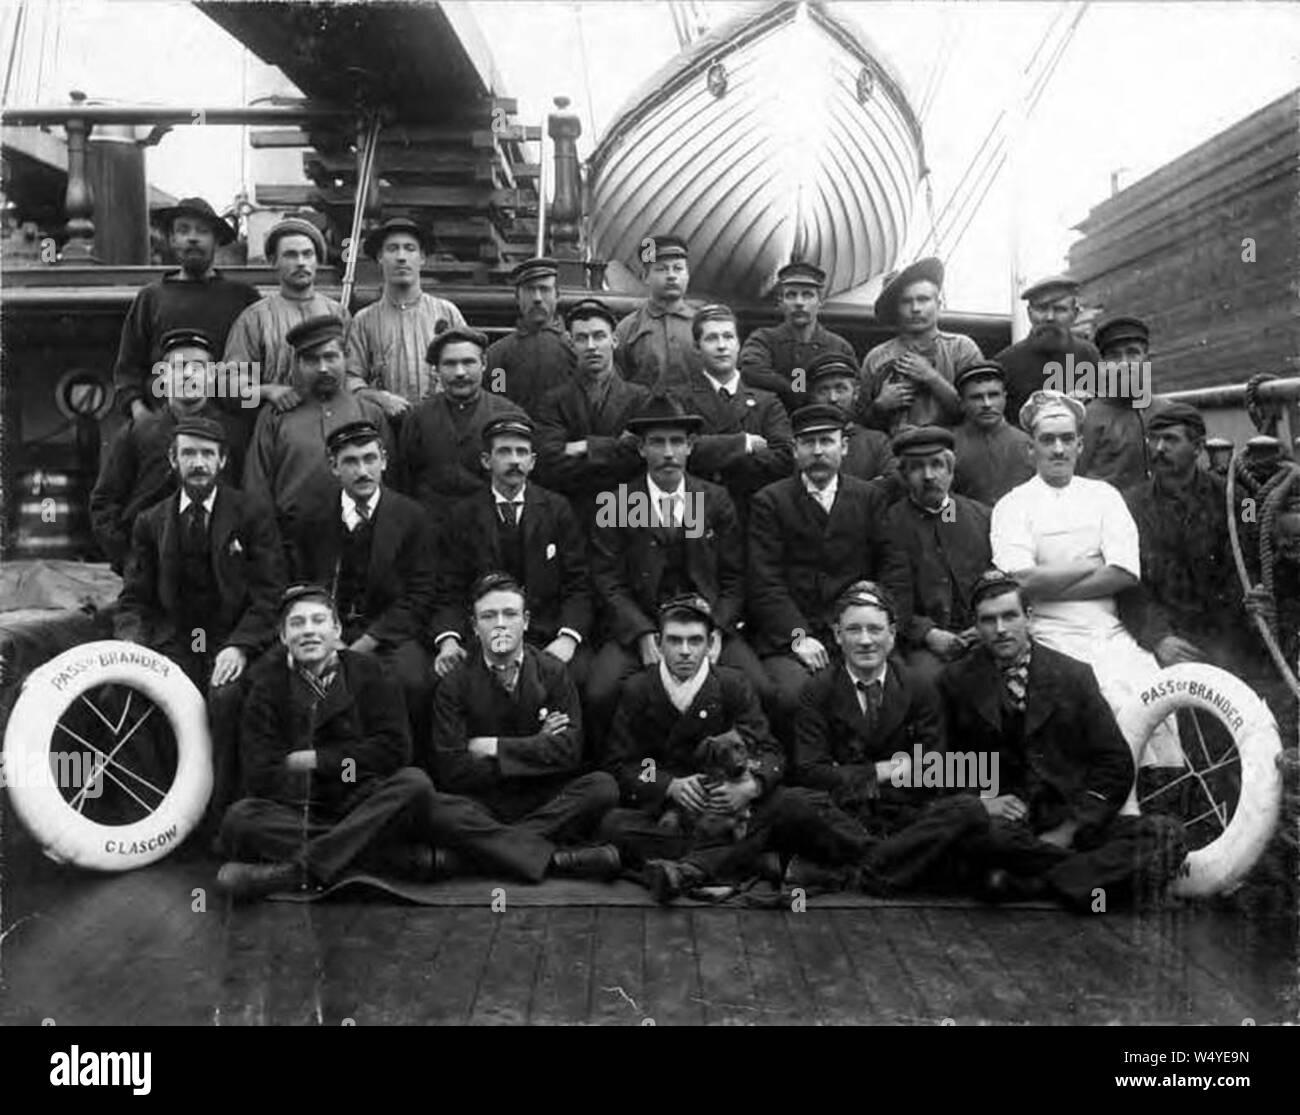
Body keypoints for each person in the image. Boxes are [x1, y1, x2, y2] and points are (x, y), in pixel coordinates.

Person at [938, 571, 1187, 910]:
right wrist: (984, 801)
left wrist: (1073, 827)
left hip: (1070, 819)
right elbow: (943, 763)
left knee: (1165, 833)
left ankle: (1033, 883)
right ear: (977, 626)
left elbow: (1114, 762)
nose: (1000, 629)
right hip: (1006, 825)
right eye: (988, 620)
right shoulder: (955, 681)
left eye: (1009, 616)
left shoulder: (1073, 674)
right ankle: (1081, 882)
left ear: (1029, 617)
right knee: (983, 841)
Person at [990, 390, 1182, 768]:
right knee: (1096, 703)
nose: (1058, 449)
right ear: (1031, 450)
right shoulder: (1012, 505)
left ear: (1080, 444)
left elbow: (1124, 573)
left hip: (1111, 629)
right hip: (1049, 631)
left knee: (1151, 697)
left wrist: (1052, 578)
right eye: (1047, 440)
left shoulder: (1104, 496)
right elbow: (1019, 581)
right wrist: (1088, 565)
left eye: (1066, 439)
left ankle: (1156, 796)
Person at [216, 584, 443, 901]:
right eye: (297, 624)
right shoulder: (266, 686)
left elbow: (394, 750)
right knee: (240, 819)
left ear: (336, 629)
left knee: (415, 784)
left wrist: (317, 761)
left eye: (318, 621)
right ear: (282, 636)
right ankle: (385, 858)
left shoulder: (372, 672)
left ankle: (298, 871)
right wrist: (330, 781)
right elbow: (261, 773)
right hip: (303, 810)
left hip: (362, 799)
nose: (308, 631)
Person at [114, 416, 284, 830]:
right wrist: (134, 646)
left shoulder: (252, 512)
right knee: (121, 698)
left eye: (208, 453)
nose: (199, 462)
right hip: (174, 642)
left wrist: (241, 645)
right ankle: (155, 816)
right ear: (173, 459)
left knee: (226, 699)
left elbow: (270, 592)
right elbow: (134, 598)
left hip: (231, 639)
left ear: (223, 460)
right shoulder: (150, 521)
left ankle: (219, 819)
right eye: (189, 453)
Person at [780, 581, 986, 895]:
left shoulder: (920, 687)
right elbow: (810, 772)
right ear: (837, 635)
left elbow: (930, 770)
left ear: (891, 635)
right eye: (854, 630)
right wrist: (885, 770)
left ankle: (860, 869)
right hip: (845, 817)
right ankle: (893, 866)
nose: (865, 641)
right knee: (792, 802)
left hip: (904, 815)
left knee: (968, 809)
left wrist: (851, 774)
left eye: (875, 630)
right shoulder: (817, 691)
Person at [586, 393, 767, 744]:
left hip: (706, 621)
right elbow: (607, 580)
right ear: (641, 449)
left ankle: (745, 771)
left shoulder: (712, 499)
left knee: (764, 689)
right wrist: (640, 633)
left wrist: (716, 629)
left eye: (676, 442)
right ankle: (621, 772)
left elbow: (733, 577)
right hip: (642, 621)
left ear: (690, 447)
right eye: (657, 443)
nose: (667, 453)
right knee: (600, 693)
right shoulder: (620, 502)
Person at [424, 573, 622, 882]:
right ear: (475, 627)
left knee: (602, 786)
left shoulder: (552, 671)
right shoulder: (455, 683)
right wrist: (538, 745)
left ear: (526, 621)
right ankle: (555, 860)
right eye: (489, 616)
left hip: (543, 798)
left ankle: (485, 852)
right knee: (436, 808)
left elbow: (569, 752)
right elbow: (453, 767)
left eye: (510, 614)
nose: (500, 624)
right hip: (484, 801)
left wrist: (494, 748)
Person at [598, 595, 788, 902]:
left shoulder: (732, 685)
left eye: (695, 641)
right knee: (613, 825)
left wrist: (750, 786)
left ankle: (683, 870)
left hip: (727, 810)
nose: (685, 651)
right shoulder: (638, 689)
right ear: (659, 643)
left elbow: (770, 751)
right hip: (671, 813)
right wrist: (668, 785)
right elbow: (622, 764)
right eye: (674, 641)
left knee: (784, 805)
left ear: (711, 643)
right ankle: (737, 863)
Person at [285, 420, 437, 743]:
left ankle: (407, 769)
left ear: (384, 460)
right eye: (351, 462)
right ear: (333, 466)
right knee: (283, 681)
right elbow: (302, 585)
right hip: (327, 632)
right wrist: (328, 637)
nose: (363, 471)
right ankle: (324, 776)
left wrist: (367, 642)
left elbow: (419, 595)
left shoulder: (412, 517)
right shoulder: (311, 517)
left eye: (369, 459)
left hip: (389, 636)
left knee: (413, 682)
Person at [747, 403, 892, 737]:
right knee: (792, 694)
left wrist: (873, 627)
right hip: (793, 636)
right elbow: (764, 581)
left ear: (843, 446)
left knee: (890, 689)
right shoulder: (770, 501)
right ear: (795, 450)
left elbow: (890, 567)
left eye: (826, 441)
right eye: (807, 443)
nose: (817, 451)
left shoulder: (869, 498)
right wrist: (798, 637)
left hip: (859, 628)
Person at [433, 415, 593, 687]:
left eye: (522, 453)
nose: (514, 460)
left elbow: (578, 584)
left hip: (546, 635)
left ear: (532, 462)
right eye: (504, 452)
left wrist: (567, 638)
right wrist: (449, 640)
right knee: (449, 680)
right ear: (487, 461)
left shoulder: (557, 509)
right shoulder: (463, 515)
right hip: (482, 635)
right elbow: (449, 587)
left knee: (581, 681)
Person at [91, 328, 247, 573]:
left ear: (212, 376)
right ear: (163, 377)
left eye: (197, 367)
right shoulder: (137, 433)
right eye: (178, 367)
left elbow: (250, 503)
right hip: (151, 567)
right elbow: (104, 503)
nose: (187, 374)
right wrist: (128, 560)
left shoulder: (234, 434)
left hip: (217, 570)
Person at [242, 315, 390, 545]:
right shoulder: (276, 415)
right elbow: (257, 488)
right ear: (298, 363)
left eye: (330, 357)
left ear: (345, 357)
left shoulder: (370, 414)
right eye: (311, 360)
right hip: (291, 542)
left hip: (361, 540)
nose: (322, 368)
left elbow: (391, 485)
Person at [111, 197, 260, 422]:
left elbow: (259, 366)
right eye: (183, 230)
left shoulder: (243, 298)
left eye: (202, 231)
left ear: (216, 240)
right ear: (172, 239)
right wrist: (141, 417)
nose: (192, 238)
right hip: (163, 422)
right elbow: (128, 370)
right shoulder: (151, 298)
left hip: (227, 424)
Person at [1122, 402, 1243, 669]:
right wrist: (1158, 638)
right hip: (1162, 641)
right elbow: (1128, 584)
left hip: (1226, 639)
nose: (1159, 448)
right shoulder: (1127, 506)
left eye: (1171, 440)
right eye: (1153, 439)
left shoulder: (1238, 500)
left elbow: (1250, 568)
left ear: (1198, 448)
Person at [879, 426, 991, 684]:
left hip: (982, 631)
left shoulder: (982, 517)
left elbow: (995, 580)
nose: (929, 476)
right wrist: (927, 634)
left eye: (937, 465)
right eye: (917, 467)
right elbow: (892, 595)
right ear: (904, 476)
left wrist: (982, 624)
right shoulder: (890, 524)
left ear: (951, 470)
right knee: (926, 682)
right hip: (920, 642)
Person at [397, 326, 529, 529]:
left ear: (484, 364)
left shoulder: (508, 414)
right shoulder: (418, 417)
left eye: (468, 362)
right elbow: (404, 482)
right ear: (436, 369)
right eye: (450, 364)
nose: (460, 372)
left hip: (492, 532)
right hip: (431, 533)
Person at [534, 298, 650, 523]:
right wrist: (615, 446)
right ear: (570, 343)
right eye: (581, 338)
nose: (591, 346)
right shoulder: (553, 401)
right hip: (572, 515)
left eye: (599, 336)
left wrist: (582, 446)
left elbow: (640, 457)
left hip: (627, 514)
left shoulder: (640, 398)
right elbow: (548, 464)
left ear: (614, 340)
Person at [672, 303, 793, 512]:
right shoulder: (678, 399)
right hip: (697, 510)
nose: (722, 346)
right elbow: (677, 451)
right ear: (696, 347)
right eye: (711, 338)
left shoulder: (767, 402)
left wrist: (712, 454)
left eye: (728, 337)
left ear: (738, 344)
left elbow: (784, 458)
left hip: (752, 510)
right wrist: (743, 444)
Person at [223, 217, 349, 411]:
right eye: (291, 255)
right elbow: (230, 389)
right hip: (274, 425)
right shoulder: (254, 319)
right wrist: (267, 391)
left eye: (307, 254)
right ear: (274, 261)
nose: (301, 262)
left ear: (317, 261)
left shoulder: (339, 314)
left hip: (334, 424)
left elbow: (355, 376)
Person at [346, 217, 467, 414]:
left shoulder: (447, 313)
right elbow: (350, 379)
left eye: (410, 248)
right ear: (380, 257)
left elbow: (470, 368)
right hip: (385, 427)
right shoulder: (363, 321)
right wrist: (380, 398)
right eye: (392, 249)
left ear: (422, 258)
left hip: (441, 423)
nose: (401, 257)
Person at [856, 257, 981, 433]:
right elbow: (859, 423)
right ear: (896, 309)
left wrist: (931, 377)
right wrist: (881, 405)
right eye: (906, 301)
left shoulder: (962, 348)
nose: (915, 308)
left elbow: (978, 411)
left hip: (949, 450)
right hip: (894, 452)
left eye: (923, 299)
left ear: (938, 305)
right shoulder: (876, 358)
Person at [738, 260, 856, 412]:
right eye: (791, 295)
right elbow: (751, 371)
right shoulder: (763, 340)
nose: (799, 302)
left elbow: (855, 390)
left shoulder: (839, 346)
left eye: (807, 295)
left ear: (820, 301)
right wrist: (795, 389)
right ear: (781, 302)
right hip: (775, 423)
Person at [994, 275, 1103, 420]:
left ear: (1074, 314)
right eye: (1041, 308)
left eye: (1060, 309)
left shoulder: (1090, 355)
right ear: (1029, 314)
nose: (1050, 317)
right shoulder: (1006, 363)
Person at [484, 257, 577, 417]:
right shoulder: (498, 357)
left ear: (557, 295)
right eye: (529, 289)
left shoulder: (576, 351)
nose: (537, 298)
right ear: (517, 297)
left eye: (544, 289)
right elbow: (497, 400)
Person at [1078, 315, 1163, 491]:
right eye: (1115, 356)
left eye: (1133, 353)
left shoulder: (1166, 411)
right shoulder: (1088, 418)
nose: (1124, 364)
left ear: (1147, 359)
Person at [612, 234, 701, 389]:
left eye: (678, 269)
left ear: (687, 276)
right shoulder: (627, 329)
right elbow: (618, 386)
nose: (672, 276)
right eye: (662, 269)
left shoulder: (704, 324)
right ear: (645, 277)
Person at [804, 352, 898, 488]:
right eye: (823, 390)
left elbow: (892, 480)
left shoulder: (876, 442)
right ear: (812, 396)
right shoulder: (801, 443)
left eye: (840, 389)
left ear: (856, 393)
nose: (833, 398)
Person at [950, 361, 1034, 505]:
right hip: (967, 525)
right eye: (977, 397)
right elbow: (945, 500)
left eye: (993, 395)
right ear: (962, 403)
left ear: (1004, 398)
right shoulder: (949, 446)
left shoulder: (1029, 446)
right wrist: (949, 524)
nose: (987, 404)